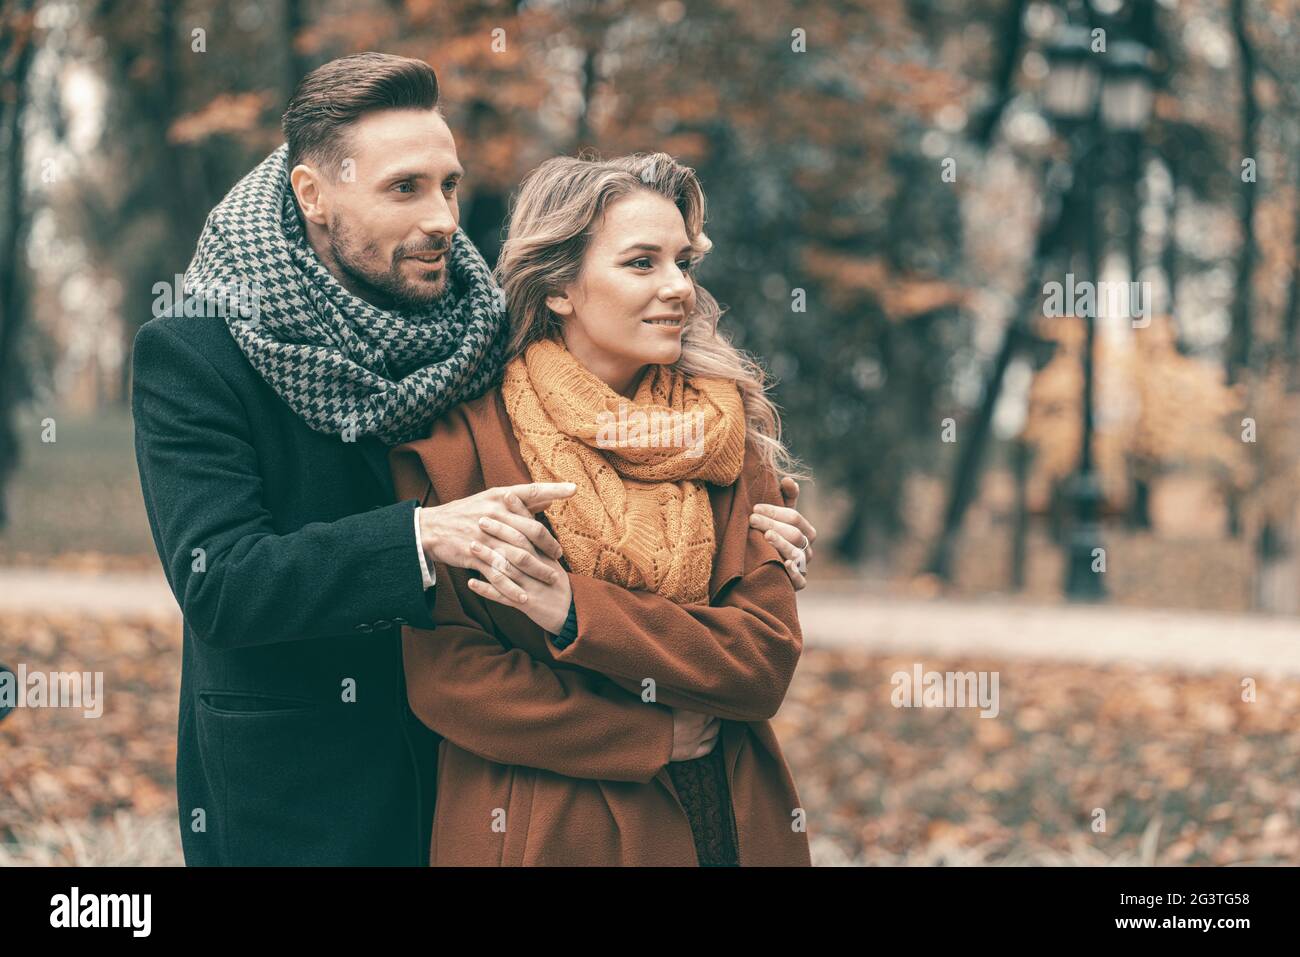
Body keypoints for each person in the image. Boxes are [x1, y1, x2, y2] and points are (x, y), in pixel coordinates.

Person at [130, 52, 817, 866]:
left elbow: (608, 422)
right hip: (304, 783)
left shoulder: (475, 339)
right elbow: (220, 579)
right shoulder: (198, 353)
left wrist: (761, 524)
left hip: (476, 791)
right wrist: (419, 537)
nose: (444, 218)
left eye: (449, 185)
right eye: (405, 188)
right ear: (313, 195)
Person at [388, 149, 812, 865]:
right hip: (544, 828)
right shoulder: (465, 443)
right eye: (642, 263)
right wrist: (641, 734)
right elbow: (449, 678)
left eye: (684, 261)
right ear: (559, 288)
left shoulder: (725, 432)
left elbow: (762, 661)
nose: (679, 286)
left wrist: (576, 612)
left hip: (725, 818)